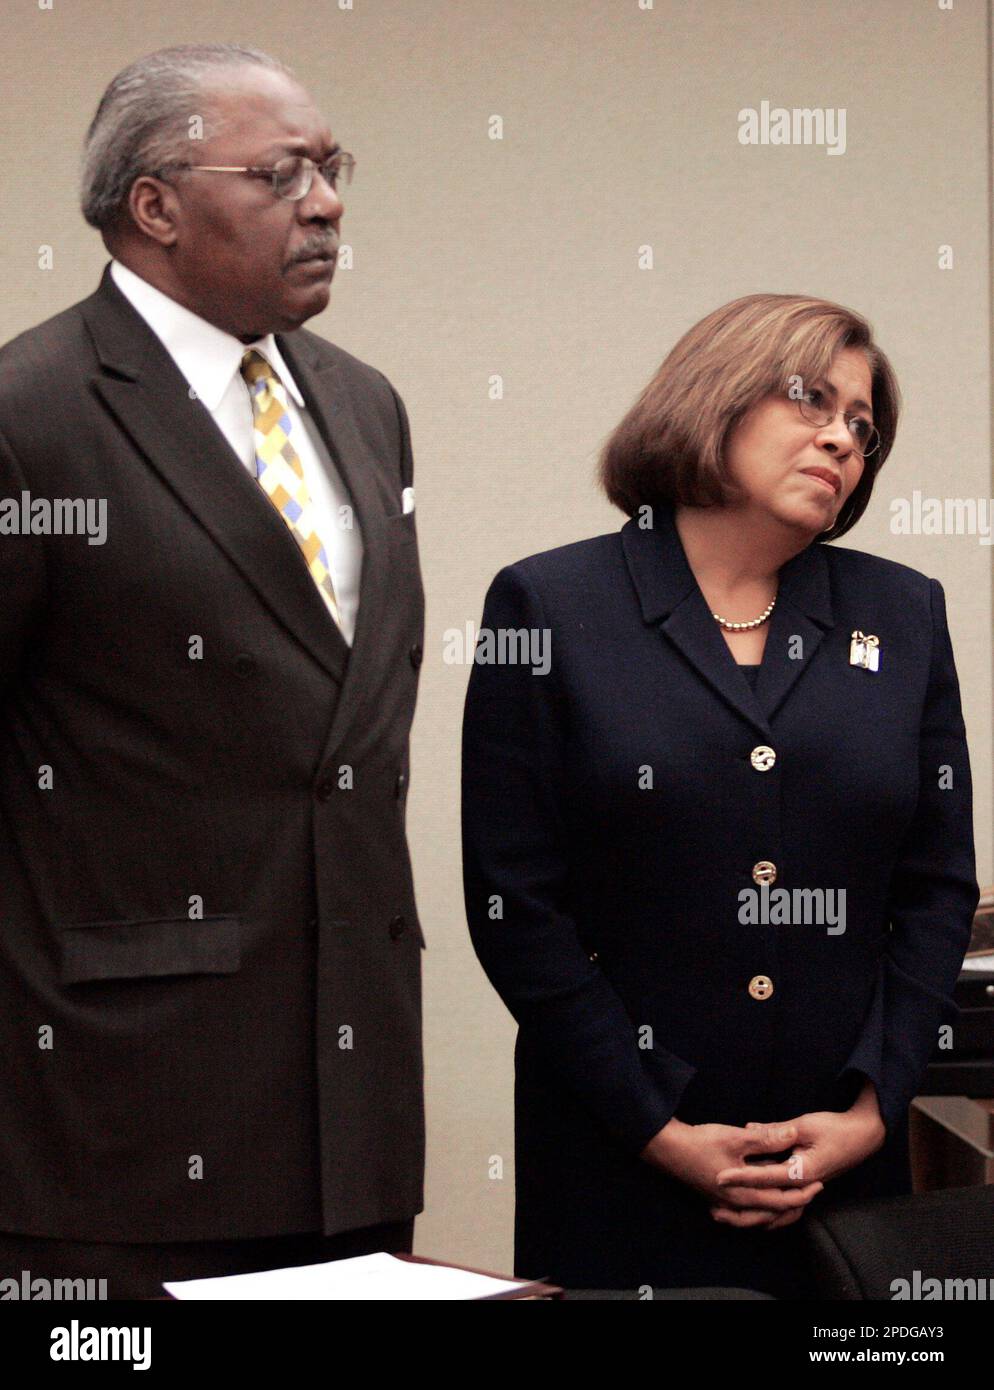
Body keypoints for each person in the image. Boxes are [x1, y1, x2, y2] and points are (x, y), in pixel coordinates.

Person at [0, 44, 426, 1298]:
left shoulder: (363, 404)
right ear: (155, 204)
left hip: (349, 1104)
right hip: (113, 1114)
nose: (329, 201)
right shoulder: (32, 414)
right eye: (283, 171)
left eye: (332, 169)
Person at [461, 293, 980, 1296]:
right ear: (714, 397)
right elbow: (515, 903)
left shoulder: (902, 613)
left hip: (844, 1167)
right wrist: (658, 1127)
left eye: (863, 427)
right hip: (620, 1159)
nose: (842, 436)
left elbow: (935, 886)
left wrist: (875, 1103)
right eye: (811, 400)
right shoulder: (549, 605)